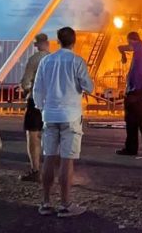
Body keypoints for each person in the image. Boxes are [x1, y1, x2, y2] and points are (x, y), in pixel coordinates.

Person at [32, 26, 93, 218]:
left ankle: (45, 202)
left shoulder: (46, 61)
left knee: (49, 158)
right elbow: (89, 87)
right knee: (67, 160)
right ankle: (66, 205)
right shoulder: (77, 61)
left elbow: (37, 90)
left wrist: (43, 109)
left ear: (57, 41)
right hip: (71, 116)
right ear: (74, 41)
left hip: (49, 115)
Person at [116, 31, 142, 156]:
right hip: (136, 92)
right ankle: (134, 149)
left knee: (140, 122)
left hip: (137, 92)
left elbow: (125, 47)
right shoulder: (140, 52)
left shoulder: (140, 48)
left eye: (129, 41)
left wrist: (122, 51)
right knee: (133, 122)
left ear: (131, 40)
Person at [20, 33, 51, 182]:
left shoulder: (34, 59)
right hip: (52, 103)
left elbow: (25, 82)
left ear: (37, 44)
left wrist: (26, 88)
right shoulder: (55, 59)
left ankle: (35, 170)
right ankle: (51, 171)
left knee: (33, 135)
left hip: (35, 101)